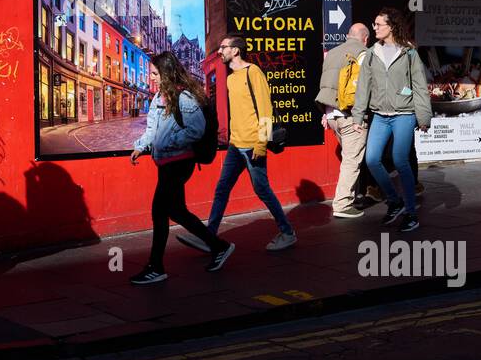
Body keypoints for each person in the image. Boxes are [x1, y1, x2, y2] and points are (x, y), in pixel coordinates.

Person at [179, 35, 297, 253]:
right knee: (222, 189)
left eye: (223, 47)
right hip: (236, 144)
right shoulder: (231, 78)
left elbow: (265, 111)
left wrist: (261, 145)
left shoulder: (253, 73)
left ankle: (287, 232)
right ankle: (209, 235)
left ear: (236, 51)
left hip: (253, 144)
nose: (220, 51)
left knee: (262, 189)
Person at [129, 52, 234, 285]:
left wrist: (168, 142)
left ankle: (156, 266)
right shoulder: (159, 98)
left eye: (155, 73)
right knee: (176, 211)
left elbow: (195, 130)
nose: (152, 77)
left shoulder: (184, 97)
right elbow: (152, 130)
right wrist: (141, 146)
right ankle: (219, 247)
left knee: (159, 210)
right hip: (166, 162)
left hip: (180, 161)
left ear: (166, 72)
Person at [350, 8, 431, 232]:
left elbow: (419, 86)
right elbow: (363, 87)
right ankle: (394, 201)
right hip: (380, 115)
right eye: (374, 24)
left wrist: (423, 116)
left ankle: (411, 214)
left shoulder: (409, 53)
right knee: (372, 159)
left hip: (404, 114)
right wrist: (358, 116)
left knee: (399, 159)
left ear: (391, 26)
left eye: (379, 24)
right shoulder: (371, 53)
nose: (374, 27)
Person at [316, 23, 372, 218]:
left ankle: (356, 193)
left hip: (331, 115)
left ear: (348, 36)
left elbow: (326, 84)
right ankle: (342, 204)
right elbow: (364, 87)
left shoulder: (332, 53)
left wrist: (325, 112)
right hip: (351, 115)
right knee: (351, 160)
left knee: (350, 155)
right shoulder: (364, 53)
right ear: (365, 39)